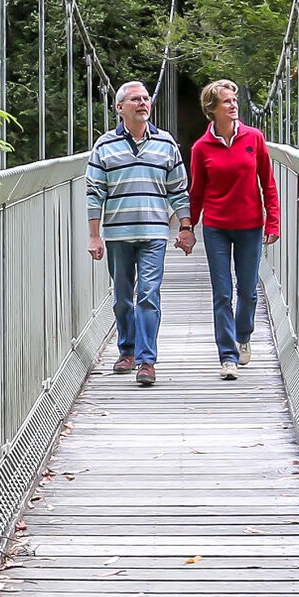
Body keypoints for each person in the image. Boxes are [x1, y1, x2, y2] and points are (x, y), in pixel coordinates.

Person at [85, 81, 193, 387]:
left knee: (148, 295)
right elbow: (94, 193)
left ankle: (147, 361)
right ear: (120, 107)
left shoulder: (166, 143)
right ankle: (127, 351)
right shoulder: (104, 146)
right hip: (118, 234)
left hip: (154, 232)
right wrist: (94, 236)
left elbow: (179, 190)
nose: (143, 103)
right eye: (135, 99)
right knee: (122, 298)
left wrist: (186, 227)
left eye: (146, 98)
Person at [188, 79, 279, 381]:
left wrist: (273, 220)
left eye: (235, 100)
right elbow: (196, 192)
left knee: (248, 291)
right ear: (212, 109)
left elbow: (268, 183)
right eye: (227, 101)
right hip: (216, 227)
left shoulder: (254, 138)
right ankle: (227, 357)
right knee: (222, 293)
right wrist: (188, 227)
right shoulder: (201, 148)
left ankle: (243, 336)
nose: (234, 105)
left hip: (250, 225)